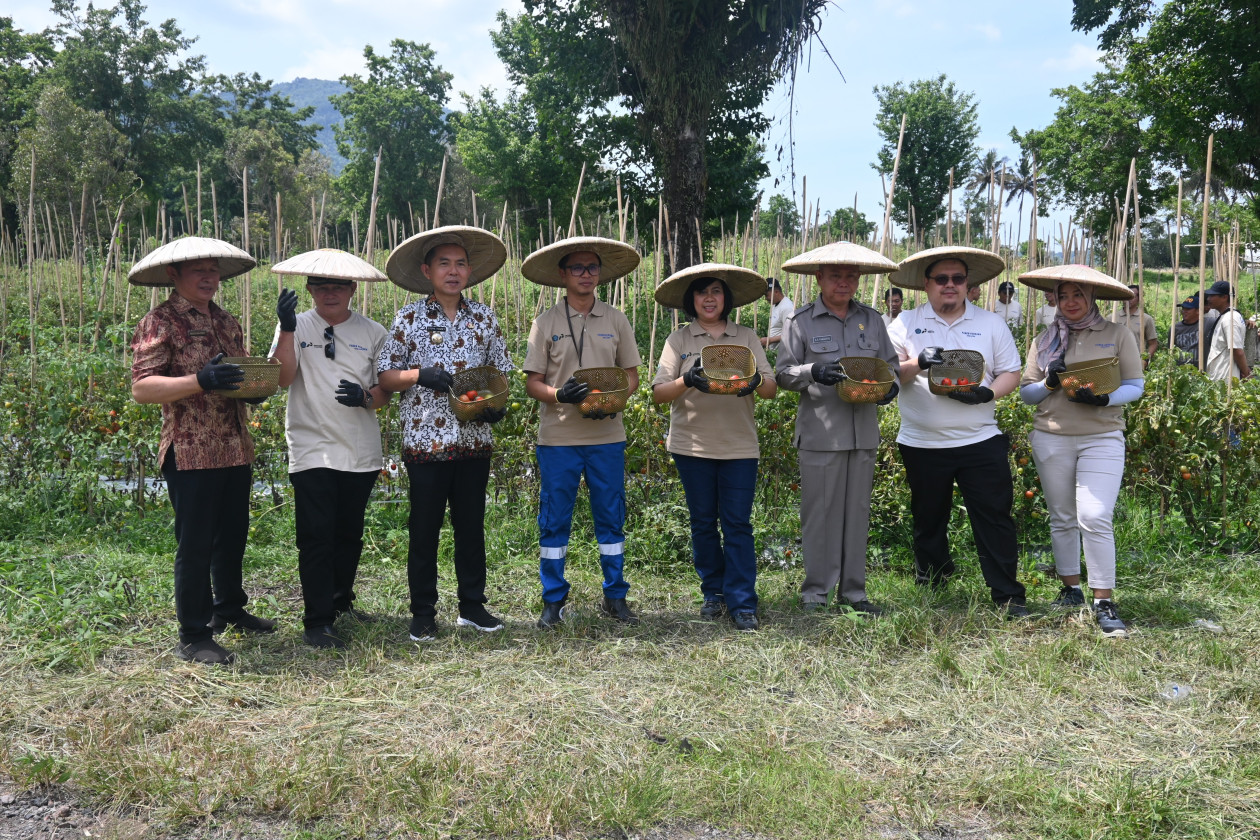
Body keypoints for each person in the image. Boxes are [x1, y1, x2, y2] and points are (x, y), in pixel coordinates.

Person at [129, 236, 274, 666]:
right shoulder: (161, 321)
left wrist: (255, 390)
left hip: (234, 445)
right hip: (189, 450)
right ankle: (193, 634)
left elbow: (246, 375)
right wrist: (200, 381)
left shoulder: (227, 322)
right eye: (198, 271)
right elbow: (142, 388)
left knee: (232, 537)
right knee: (194, 545)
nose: (209, 277)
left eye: (213, 270)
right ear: (173, 275)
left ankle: (228, 609)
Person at [377, 226, 513, 642]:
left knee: (471, 527)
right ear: (427, 270)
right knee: (424, 528)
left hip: (474, 442)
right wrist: (420, 375)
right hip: (425, 442)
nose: (453, 271)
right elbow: (386, 375)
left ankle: (472, 606)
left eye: (460, 264)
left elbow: (500, 371)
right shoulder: (409, 318)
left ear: (469, 271)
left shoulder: (484, 317)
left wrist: (494, 405)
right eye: (444, 264)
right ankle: (423, 612)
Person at [887, 246, 1028, 616]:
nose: (950, 286)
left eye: (958, 279)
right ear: (926, 284)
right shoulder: (904, 323)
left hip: (980, 438)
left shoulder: (990, 323)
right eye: (942, 279)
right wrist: (917, 362)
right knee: (928, 515)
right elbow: (886, 373)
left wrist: (987, 393)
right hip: (921, 441)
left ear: (968, 284)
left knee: (994, 516)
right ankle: (933, 580)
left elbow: (1011, 372)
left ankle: (1007, 594)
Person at [269, 249, 391, 649]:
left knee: (348, 533)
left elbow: (384, 390)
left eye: (338, 285)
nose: (330, 292)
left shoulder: (373, 332)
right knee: (316, 536)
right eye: (321, 285)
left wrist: (366, 398)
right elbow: (283, 378)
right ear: (309, 289)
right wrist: (287, 329)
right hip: (311, 446)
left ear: (353, 288)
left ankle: (341, 601)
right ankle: (316, 621)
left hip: (359, 449)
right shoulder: (296, 325)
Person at [521, 237, 643, 628]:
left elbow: (632, 376)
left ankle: (615, 596)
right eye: (578, 268)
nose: (586, 274)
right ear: (562, 275)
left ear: (600, 274)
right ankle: (553, 599)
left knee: (611, 516)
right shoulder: (546, 323)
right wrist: (559, 394)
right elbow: (533, 383)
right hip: (558, 438)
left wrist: (611, 399)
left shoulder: (615, 319)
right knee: (555, 518)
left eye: (592, 268)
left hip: (607, 436)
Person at [1018, 265, 1144, 637]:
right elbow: (1027, 395)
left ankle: (1103, 599)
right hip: (1051, 435)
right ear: (1054, 298)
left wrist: (1105, 399)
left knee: (1095, 515)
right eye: (1064, 294)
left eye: (1079, 295)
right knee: (1062, 516)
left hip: (1101, 436)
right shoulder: (1044, 340)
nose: (1070, 302)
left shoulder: (1117, 334)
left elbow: (1135, 385)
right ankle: (1071, 588)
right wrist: (1048, 381)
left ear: (1092, 298)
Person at [775, 241, 900, 615]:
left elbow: (889, 365)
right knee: (820, 515)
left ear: (858, 279)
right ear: (819, 278)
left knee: (857, 513)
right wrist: (812, 372)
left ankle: (854, 593)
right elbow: (782, 373)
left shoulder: (873, 320)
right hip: (820, 433)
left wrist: (888, 387)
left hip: (863, 432)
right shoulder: (800, 322)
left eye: (849, 276)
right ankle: (816, 592)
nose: (843, 283)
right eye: (834, 276)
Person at [651, 264, 777, 631]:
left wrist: (753, 380)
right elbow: (659, 393)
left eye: (716, 292)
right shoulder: (679, 340)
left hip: (739, 446)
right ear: (692, 300)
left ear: (727, 299)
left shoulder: (746, 337)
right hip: (691, 445)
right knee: (703, 523)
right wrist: (686, 379)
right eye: (702, 292)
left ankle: (742, 602)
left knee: (737, 524)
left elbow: (770, 388)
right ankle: (714, 593)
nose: (709, 298)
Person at [1205, 280, 1252, 381]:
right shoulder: (1225, 316)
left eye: (1212, 296)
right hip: (1220, 374)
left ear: (1225, 297)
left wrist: (1246, 373)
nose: (1208, 299)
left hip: (1225, 377)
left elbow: (1237, 350)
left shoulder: (1230, 318)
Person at [1109, 284, 1158, 365]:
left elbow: (1153, 343)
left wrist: (1145, 360)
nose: (1129, 299)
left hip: (1137, 363)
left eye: (1133, 296)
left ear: (1139, 299)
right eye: (1127, 295)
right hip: (1114, 363)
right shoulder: (1111, 318)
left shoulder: (1145, 319)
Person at [1172, 293, 1216, 369]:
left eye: (1188, 309)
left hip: (1202, 373)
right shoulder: (1175, 329)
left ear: (1198, 311)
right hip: (1181, 374)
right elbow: (1171, 351)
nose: (1184, 311)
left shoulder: (1208, 323)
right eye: (1183, 308)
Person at [761, 277, 794, 349]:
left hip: (783, 352)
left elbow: (792, 333)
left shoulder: (787, 308)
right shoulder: (775, 304)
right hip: (775, 353)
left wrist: (769, 340)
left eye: (767, 295)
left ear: (776, 292)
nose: (766, 298)